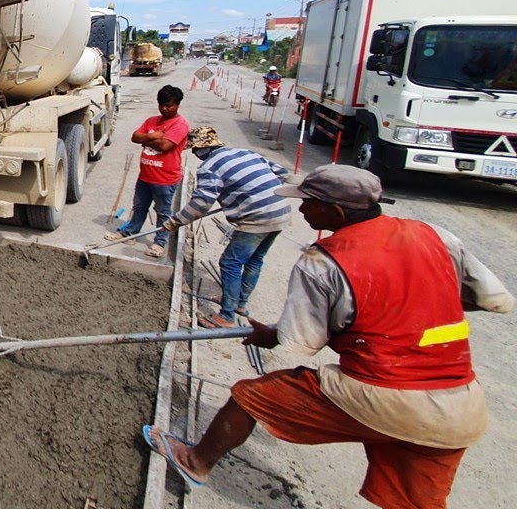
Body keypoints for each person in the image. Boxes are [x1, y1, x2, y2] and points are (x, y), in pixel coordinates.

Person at [143, 164, 514, 509]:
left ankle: (194, 460)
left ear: (336, 213)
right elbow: (495, 300)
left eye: (308, 204)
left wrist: (274, 335)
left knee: (249, 397)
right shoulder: (435, 235)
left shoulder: (324, 260)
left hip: (381, 391)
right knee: (413, 501)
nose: (302, 212)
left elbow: (298, 344)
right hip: (459, 408)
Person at [162, 127, 293, 327]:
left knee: (230, 263)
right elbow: (283, 174)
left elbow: (201, 204)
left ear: (201, 148)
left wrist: (174, 221)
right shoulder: (245, 152)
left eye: (195, 150)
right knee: (255, 259)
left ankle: (227, 316)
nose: (196, 155)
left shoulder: (209, 166)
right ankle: (240, 303)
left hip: (256, 218)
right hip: (281, 211)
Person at [104, 85, 189, 258]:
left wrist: (147, 140)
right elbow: (135, 137)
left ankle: (159, 242)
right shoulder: (152, 121)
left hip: (165, 179)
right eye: (161, 104)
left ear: (177, 105)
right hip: (145, 176)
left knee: (163, 212)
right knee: (139, 207)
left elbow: (165, 146)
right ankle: (130, 233)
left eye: (169, 105)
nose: (164, 108)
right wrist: (152, 136)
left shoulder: (180, 125)